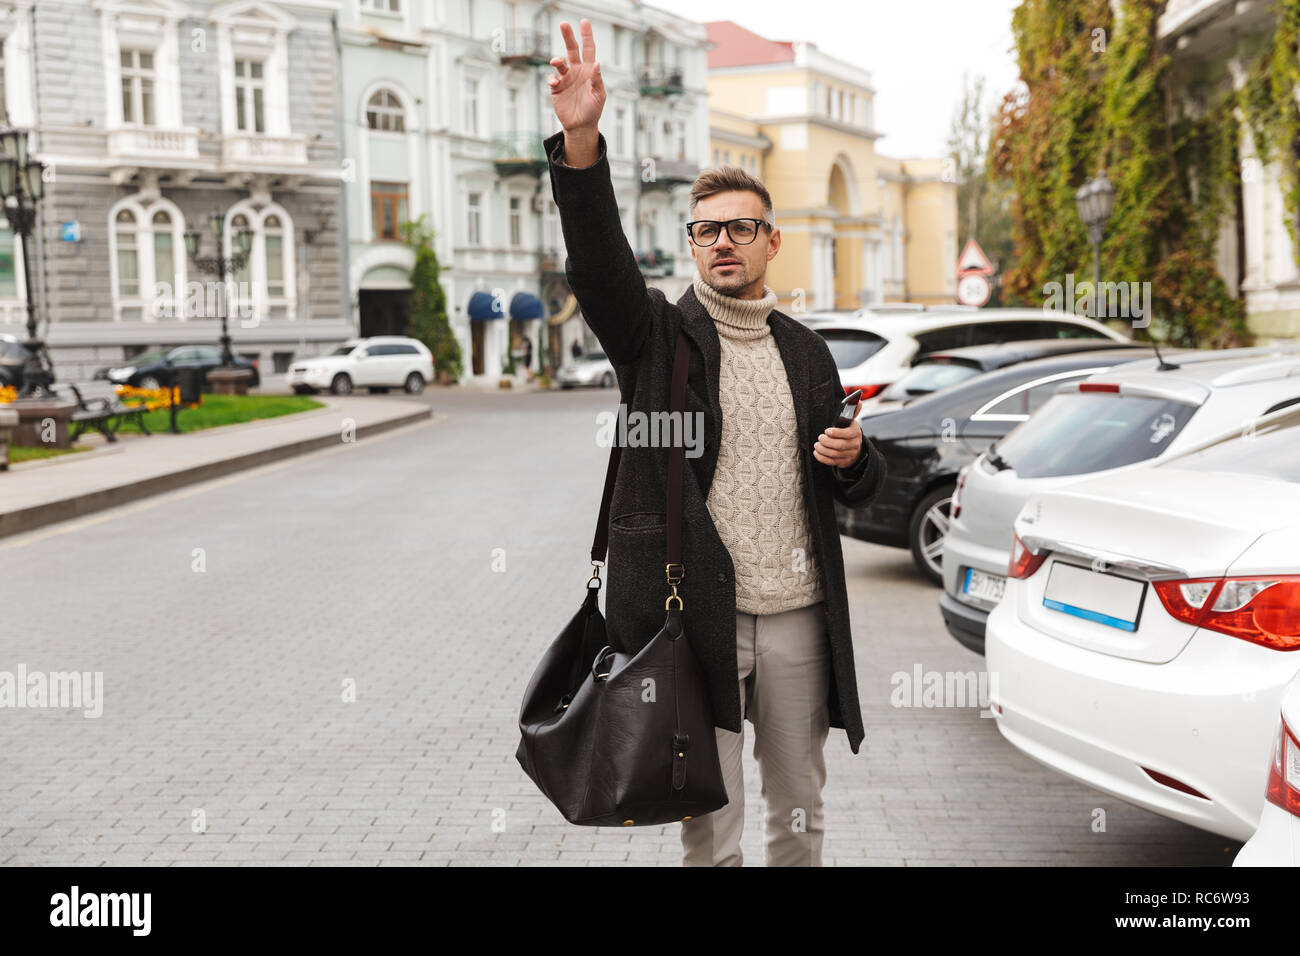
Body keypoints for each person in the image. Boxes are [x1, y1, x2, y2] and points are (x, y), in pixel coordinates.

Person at [545, 19, 885, 867]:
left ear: (772, 241)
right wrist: (583, 143)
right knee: (712, 814)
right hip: (697, 617)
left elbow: (850, 478)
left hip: (800, 614)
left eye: (741, 227)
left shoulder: (807, 350)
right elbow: (599, 269)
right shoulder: (658, 340)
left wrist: (857, 460)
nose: (724, 241)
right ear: (693, 244)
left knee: (800, 802)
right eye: (708, 230)